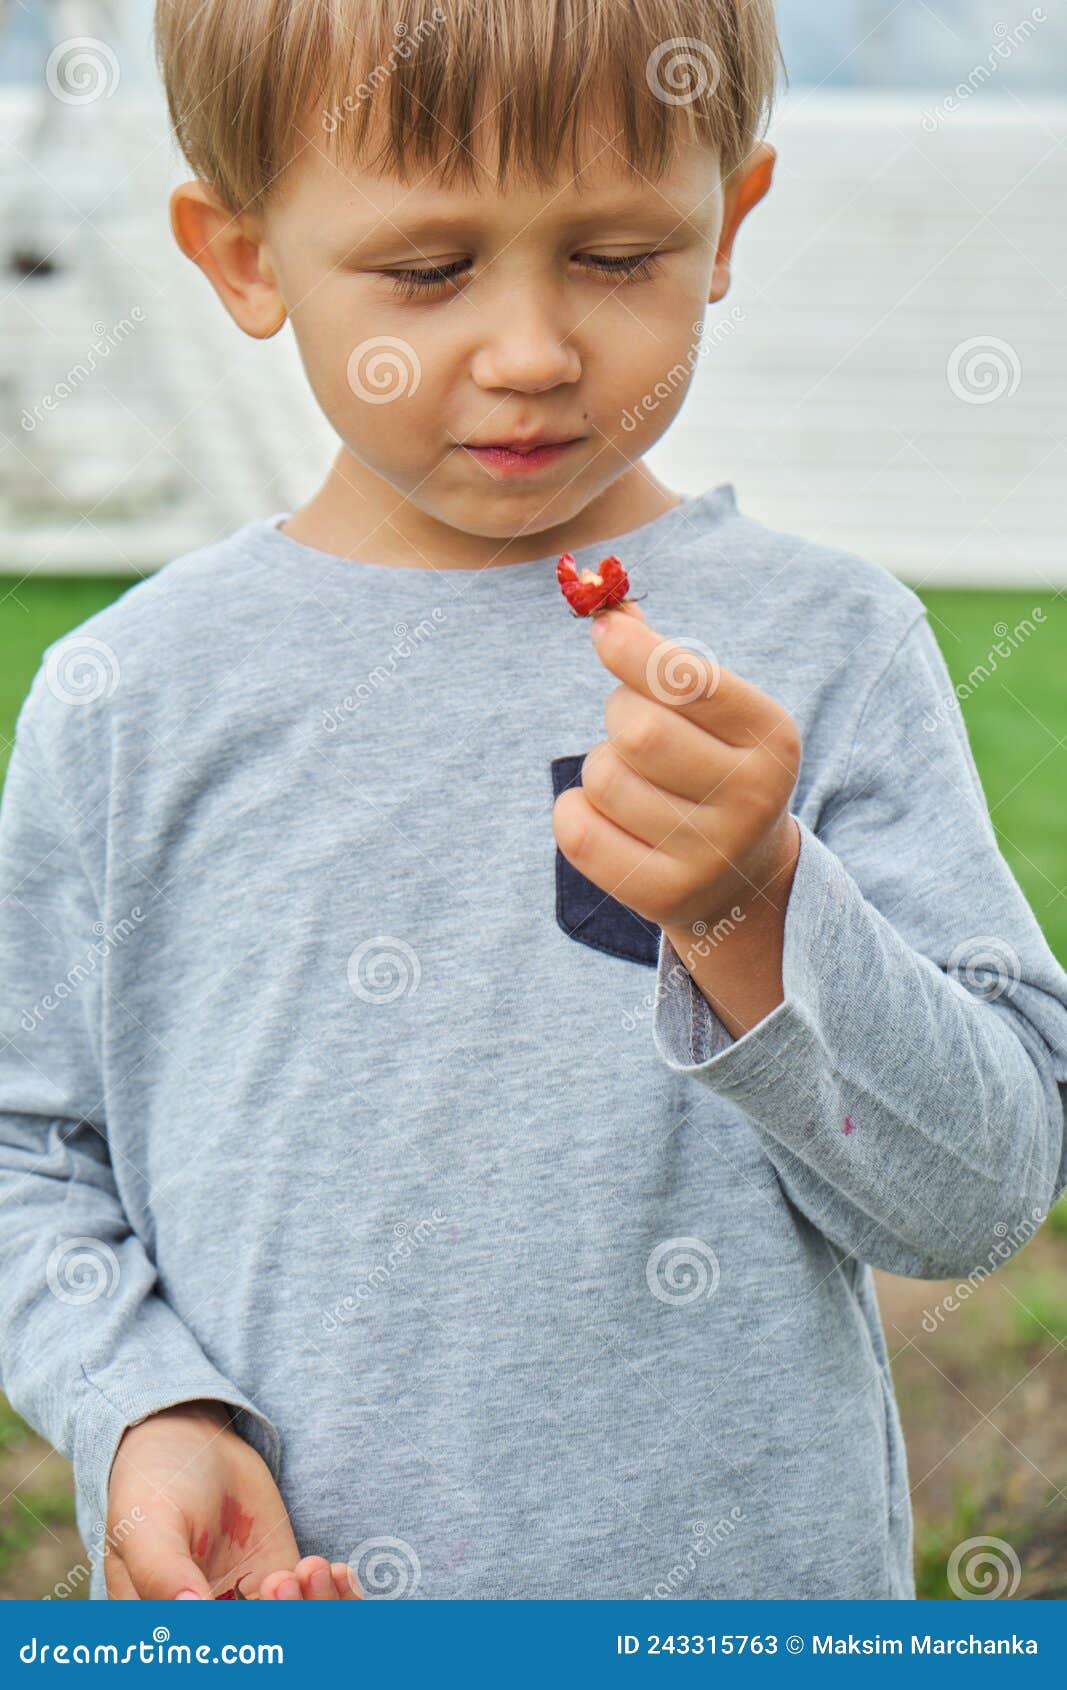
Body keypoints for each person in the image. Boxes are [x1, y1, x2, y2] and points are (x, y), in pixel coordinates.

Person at [1, 0, 1065, 1602]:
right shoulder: (127, 701)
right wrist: (143, 1403)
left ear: (730, 223)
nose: (531, 352)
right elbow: (28, 1147)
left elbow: (979, 1196)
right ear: (241, 258)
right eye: (428, 273)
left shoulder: (823, 653)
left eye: (619, 256)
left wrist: (756, 906)